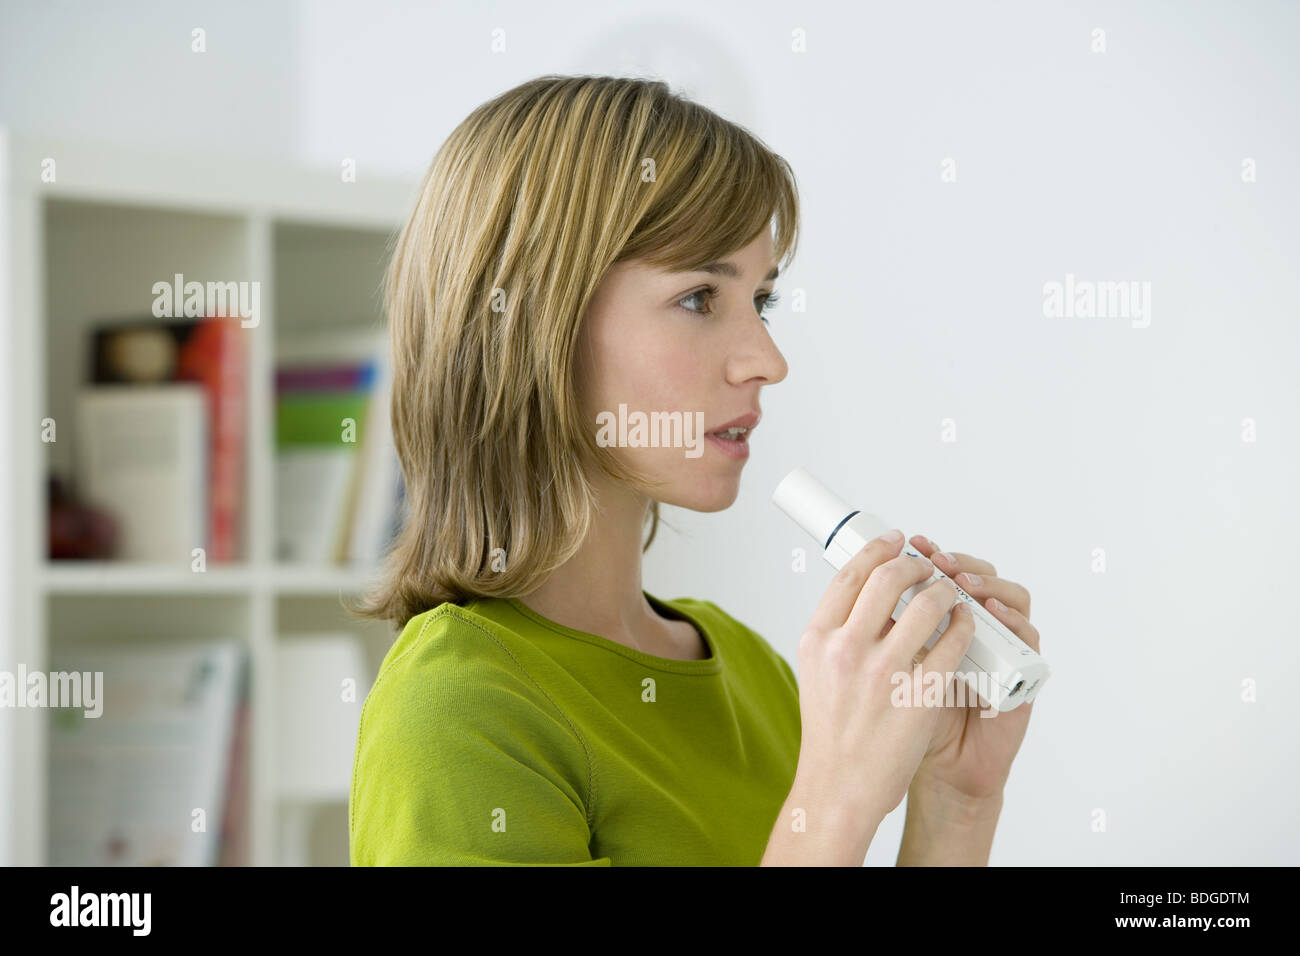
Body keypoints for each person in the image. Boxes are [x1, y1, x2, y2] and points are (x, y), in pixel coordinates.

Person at [345, 74, 1041, 866]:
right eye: (700, 297)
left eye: (762, 303)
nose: (767, 362)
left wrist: (957, 804)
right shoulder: (457, 708)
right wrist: (838, 797)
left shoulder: (748, 671)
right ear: (536, 320)